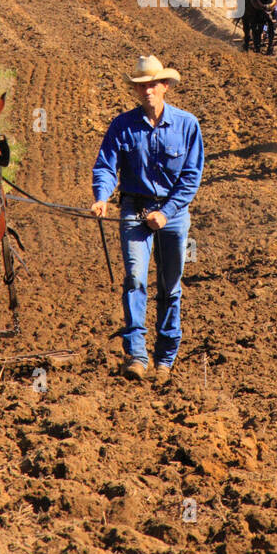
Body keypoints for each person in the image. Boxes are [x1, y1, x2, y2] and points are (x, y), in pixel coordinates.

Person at [91, 54, 204, 385]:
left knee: (170, 287)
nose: (147, 91)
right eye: (141, 86)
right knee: (135, 279)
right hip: (134, 211)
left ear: (165, 86)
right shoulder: (122, 126)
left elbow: (191, 178)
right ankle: (137, 354)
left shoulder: (187, 125)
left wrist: (165, 213)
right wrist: (101, 197)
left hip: (174, 215)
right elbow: (106, 166)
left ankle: (165, 357)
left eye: (152, 85)